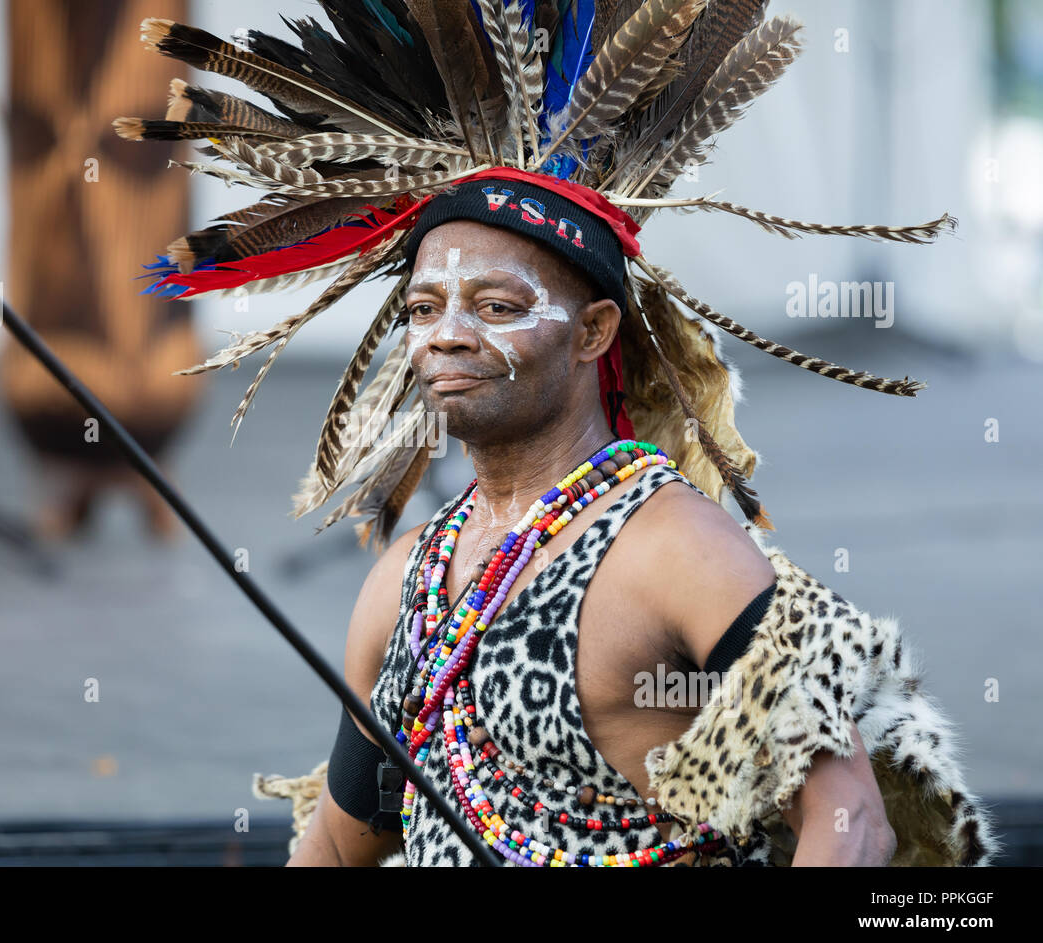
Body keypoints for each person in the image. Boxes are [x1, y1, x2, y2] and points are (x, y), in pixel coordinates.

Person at [118, 2, 999, 866]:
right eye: (424, 308)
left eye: (497, 306)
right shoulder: (405, 579)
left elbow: (851, 824)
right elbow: (343, 844)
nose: (448, 333)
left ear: (593, 333)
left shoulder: (677, 552)